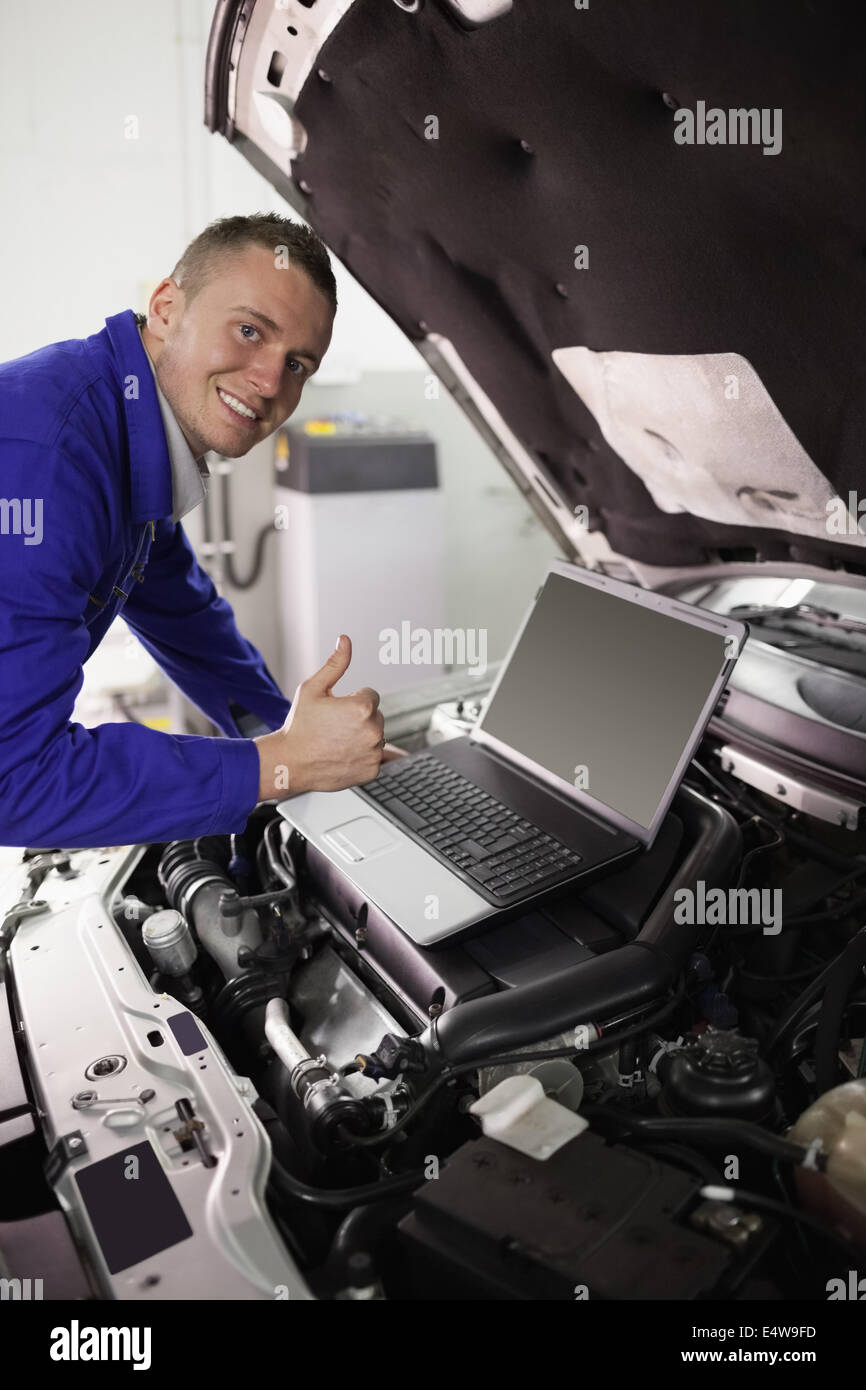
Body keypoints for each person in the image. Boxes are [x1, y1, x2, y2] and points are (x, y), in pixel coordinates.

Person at [0, 213, 404, 850]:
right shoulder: (51, 461)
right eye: (249, 330)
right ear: (166, 307)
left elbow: (186, 618)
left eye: (298, 364)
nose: (270, 382)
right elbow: (15, 779)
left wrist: (294, 735)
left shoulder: (122, 428)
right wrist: (280, 765)